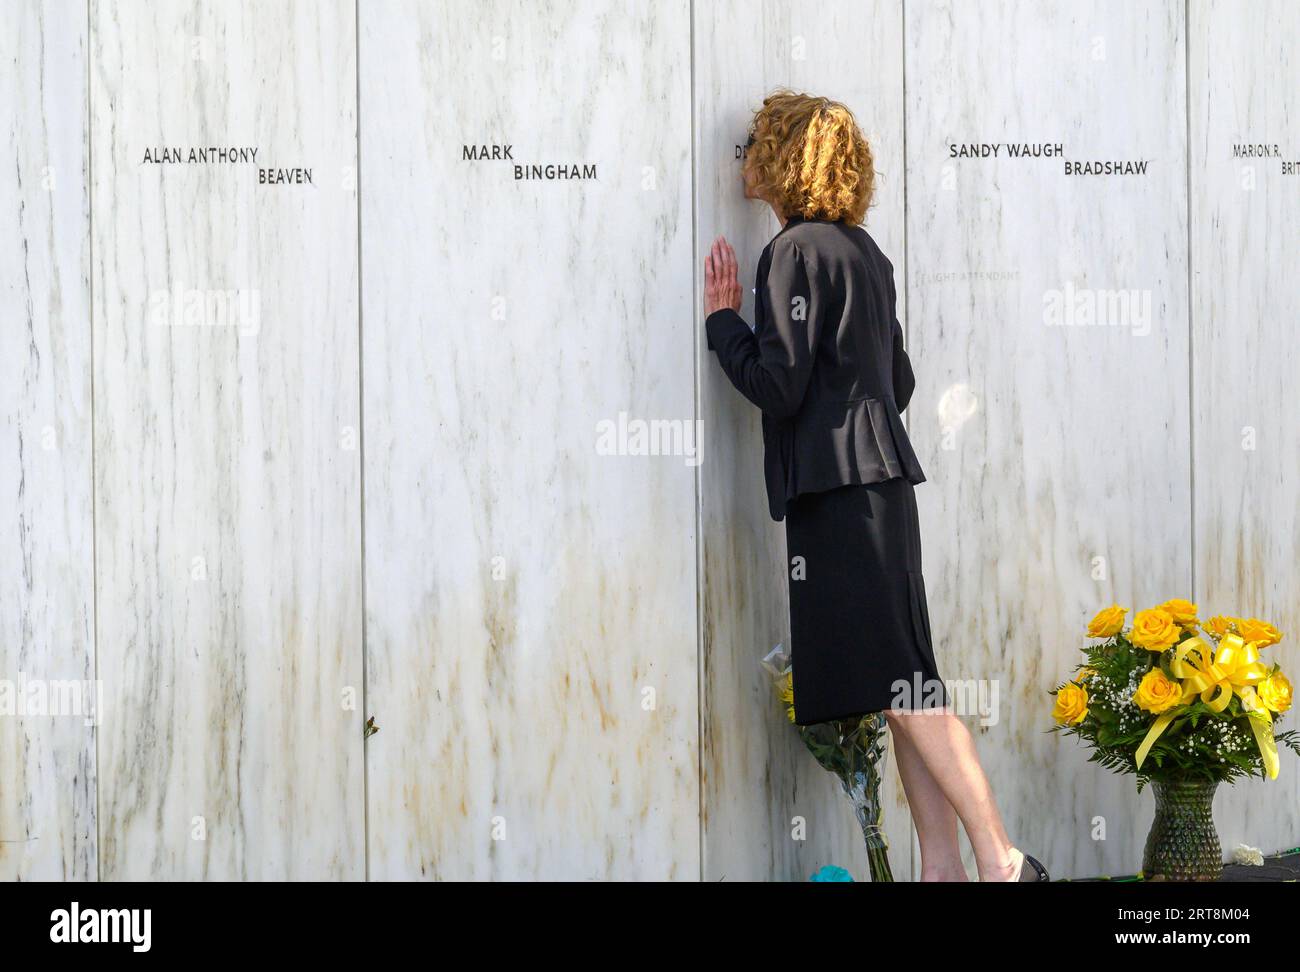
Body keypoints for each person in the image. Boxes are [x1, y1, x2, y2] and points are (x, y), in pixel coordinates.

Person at [703, 90, 1047, 883]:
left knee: (904, 688)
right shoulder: (864, 252)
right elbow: (899, 378)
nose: (742, 159)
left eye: (752, 145)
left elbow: (779, 387)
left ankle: (1000, 860)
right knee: (900, 685)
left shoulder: (792, 253)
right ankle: (942, 871)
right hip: (882, 487)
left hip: (839, 496)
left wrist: (725, 323)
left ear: (784, 157)